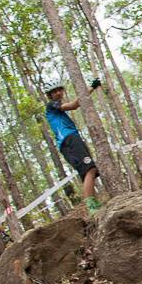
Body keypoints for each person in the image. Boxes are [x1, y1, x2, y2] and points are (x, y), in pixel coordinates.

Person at [44, 79, 103, 211]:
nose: (58, 93)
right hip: (69, 139)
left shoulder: (56, 109)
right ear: (50, 95)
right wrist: (92, 87)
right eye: (54, 91)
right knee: (90, 169)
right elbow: (74, 105)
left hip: (67, 142)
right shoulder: (51, 105)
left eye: (60, 90)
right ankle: (91, 206)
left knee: (88, 172)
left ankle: (94, 205)